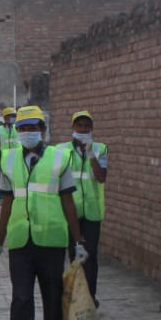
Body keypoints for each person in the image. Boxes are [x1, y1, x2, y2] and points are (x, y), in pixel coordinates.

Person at [0, 105, 87, 320]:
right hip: (20, 241)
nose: (28, 132)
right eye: (23, 128)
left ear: (43, 131)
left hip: (52, 240)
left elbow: (68, 200)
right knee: (21, 299)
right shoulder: (8, 160)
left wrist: (77, 240)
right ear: (17, 131)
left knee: (52, 296)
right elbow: (7, 202)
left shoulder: (59, 158)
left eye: (34, 128)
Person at [66, 110, 109, 304]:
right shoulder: (62, 150)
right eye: (79, 126)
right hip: (70, 211)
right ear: (73, 128)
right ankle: (76, 295)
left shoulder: (100, 149)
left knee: (90, 255)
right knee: (74, 255)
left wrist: (91, 153)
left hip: (92, 212)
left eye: (87, 126)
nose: (83, 129)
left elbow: (101, 177)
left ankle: (90, 297)